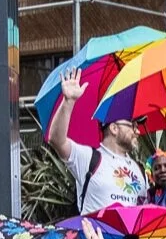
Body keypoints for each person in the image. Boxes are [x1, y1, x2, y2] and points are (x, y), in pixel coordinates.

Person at [48, 67, 145, 212]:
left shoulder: (139, 169)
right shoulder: (89, 158)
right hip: (94, 234)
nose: (137, 131)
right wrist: (69, 101)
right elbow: (57, 140)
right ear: (114, 128)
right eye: (132, 125)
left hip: (128, 235)